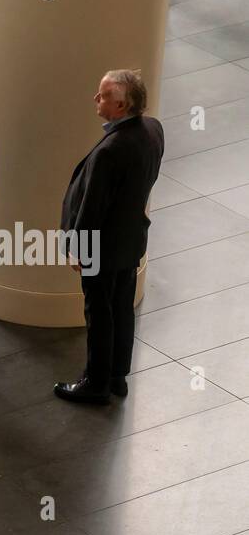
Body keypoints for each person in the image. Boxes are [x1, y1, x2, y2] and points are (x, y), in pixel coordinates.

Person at [54, 69, 164, 404]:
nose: (95, 99)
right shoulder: (152, 129)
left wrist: (78, 249)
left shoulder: (109, 152)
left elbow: (92, 208)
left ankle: (96, 382)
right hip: (130, 241)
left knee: (98, 313)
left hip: (101, 248)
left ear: (120, 104)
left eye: (101, 95)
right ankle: (117, 376)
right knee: (121, 308)